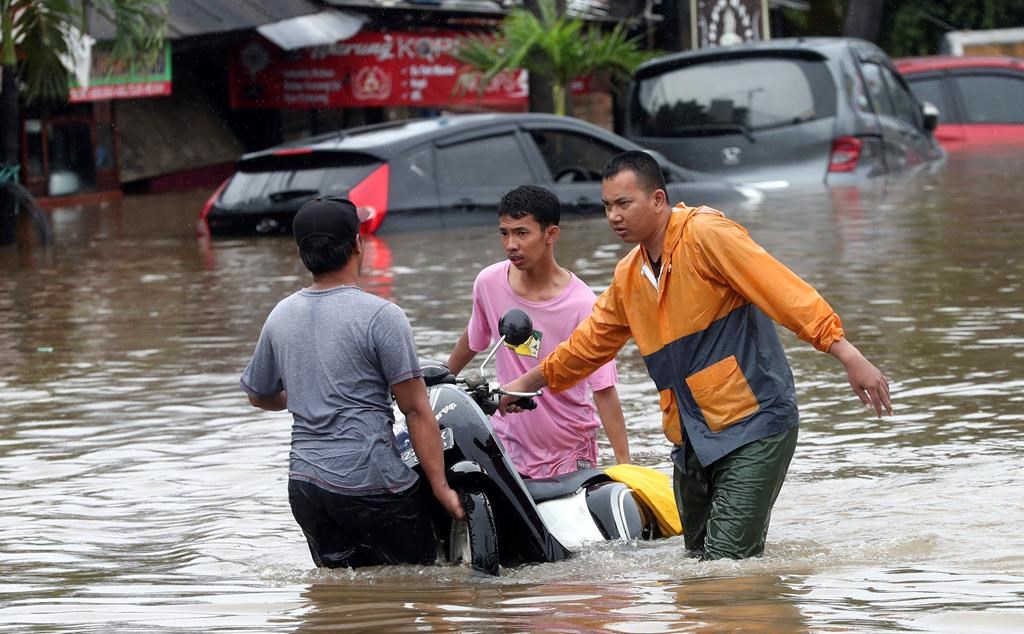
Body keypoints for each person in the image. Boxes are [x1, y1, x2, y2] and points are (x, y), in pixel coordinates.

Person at [500, 152, 892, 559]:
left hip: (754, 424)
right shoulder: (629, 275)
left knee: (724, 565)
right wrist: (526, 386)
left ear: (657, 199)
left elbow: (782, 291)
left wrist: (845, 352)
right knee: (697, 566)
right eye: (607, 206)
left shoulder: (706, 235)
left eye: (623, 203)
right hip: (690, 437)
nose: (613, 216)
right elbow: (587, 345)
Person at [240, 196, 464, 569]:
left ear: (302, 253)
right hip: (371, 482)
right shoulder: (382, 317)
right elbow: (415, 409)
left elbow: (258, 395)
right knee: (421, 591)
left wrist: (303, 391)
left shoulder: (281, 315)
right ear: (358, 244)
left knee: (342, 602)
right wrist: (441, 489)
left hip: (306, 487)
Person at [446, 185, 631, 478]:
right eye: (504, 233)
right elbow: (474, 338)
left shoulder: (582, 305)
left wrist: (625, 465)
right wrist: (438, 382)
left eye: (522, 233)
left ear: (551, 234)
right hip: (508, 444)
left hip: (568, 450)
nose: (511, 244)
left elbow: (604, 390)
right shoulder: (488, 283)